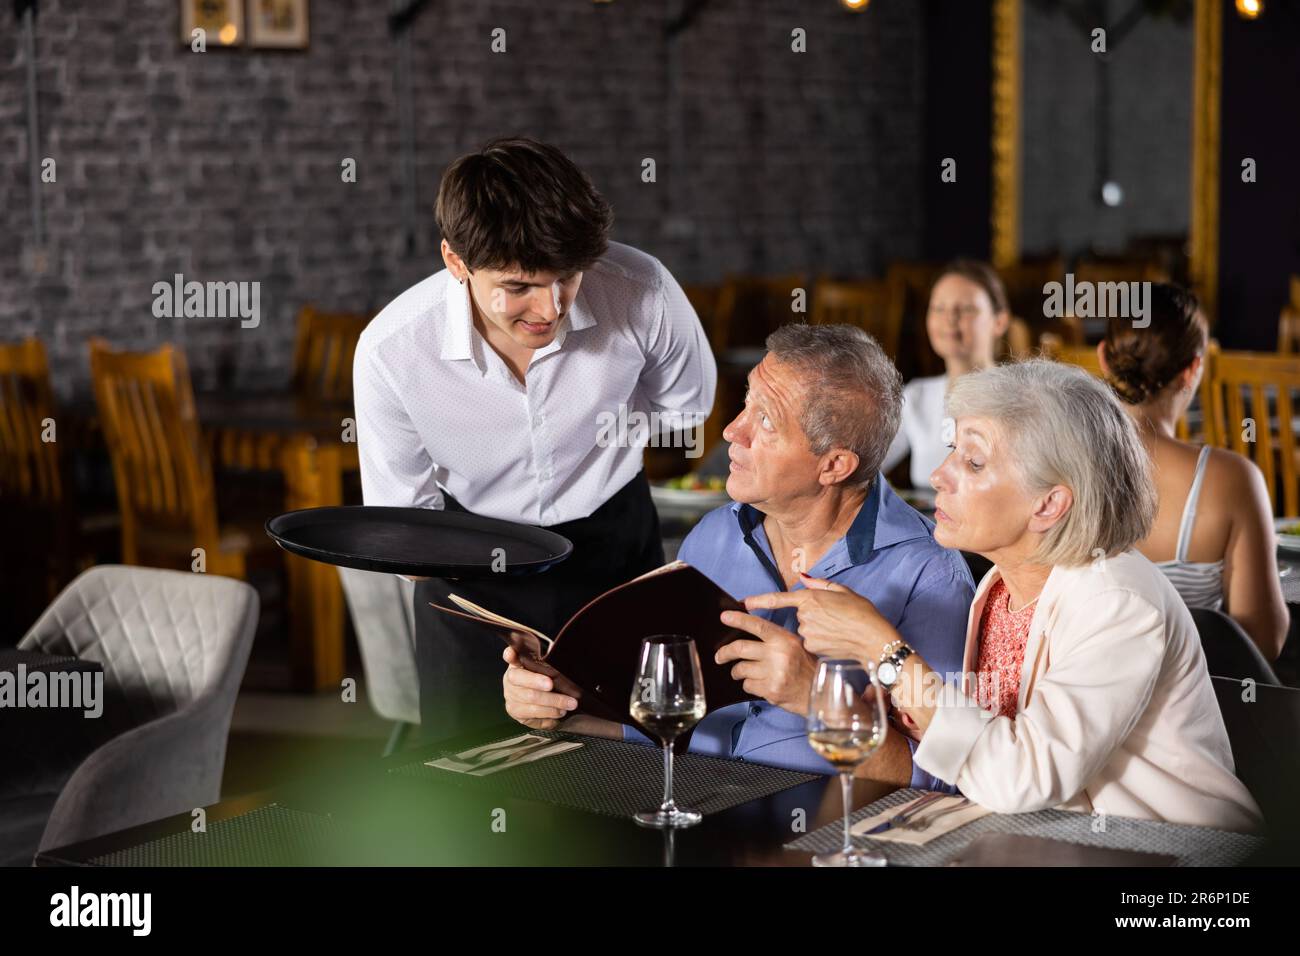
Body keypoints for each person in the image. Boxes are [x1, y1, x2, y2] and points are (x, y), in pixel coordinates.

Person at [745, 360, 1262, 831]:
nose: (938, 475)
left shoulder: (1118, 600)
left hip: (1176, 854)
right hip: (1051, 841)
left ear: (1048, 505)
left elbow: (1022, 778)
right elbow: (976, 751)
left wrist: (884, 652)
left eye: (973, 462)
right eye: (953, 450)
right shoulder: (999, 586)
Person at [501, 324, 974, 788]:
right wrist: (567, 708)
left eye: (766, 420)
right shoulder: (714, 536)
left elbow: (943, 777)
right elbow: (674, 725)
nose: (731, 430)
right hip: (689, 801)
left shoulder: (930, 574)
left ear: (833, 465)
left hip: (822, 825)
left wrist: (815, 697)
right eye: (747, 401)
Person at [354, 137, 716, 740]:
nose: (549, 309)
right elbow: (403, 529)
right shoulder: (392, 352)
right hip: (468, 574)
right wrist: (501, 624)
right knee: (464, 778)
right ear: (456, 262)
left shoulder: (643, 289)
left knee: (635, 766)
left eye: (566, 278)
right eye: (519, 286)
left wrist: (602, 439)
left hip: (616, 554)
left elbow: (685, 410)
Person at [1098, 282, 1287, 660]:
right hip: (1197, 691)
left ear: (1104, 357)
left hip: (1083, 689)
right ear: (1193, 370)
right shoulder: (1232, 479)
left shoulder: (1060, 463)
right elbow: (1264, 641)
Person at [882, 260, 1010, 489]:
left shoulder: (1017, 399)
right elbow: (868, 465)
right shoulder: (916, 396)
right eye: (938, 308)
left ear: (999, 322)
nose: (950, 319)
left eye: (966, 309)